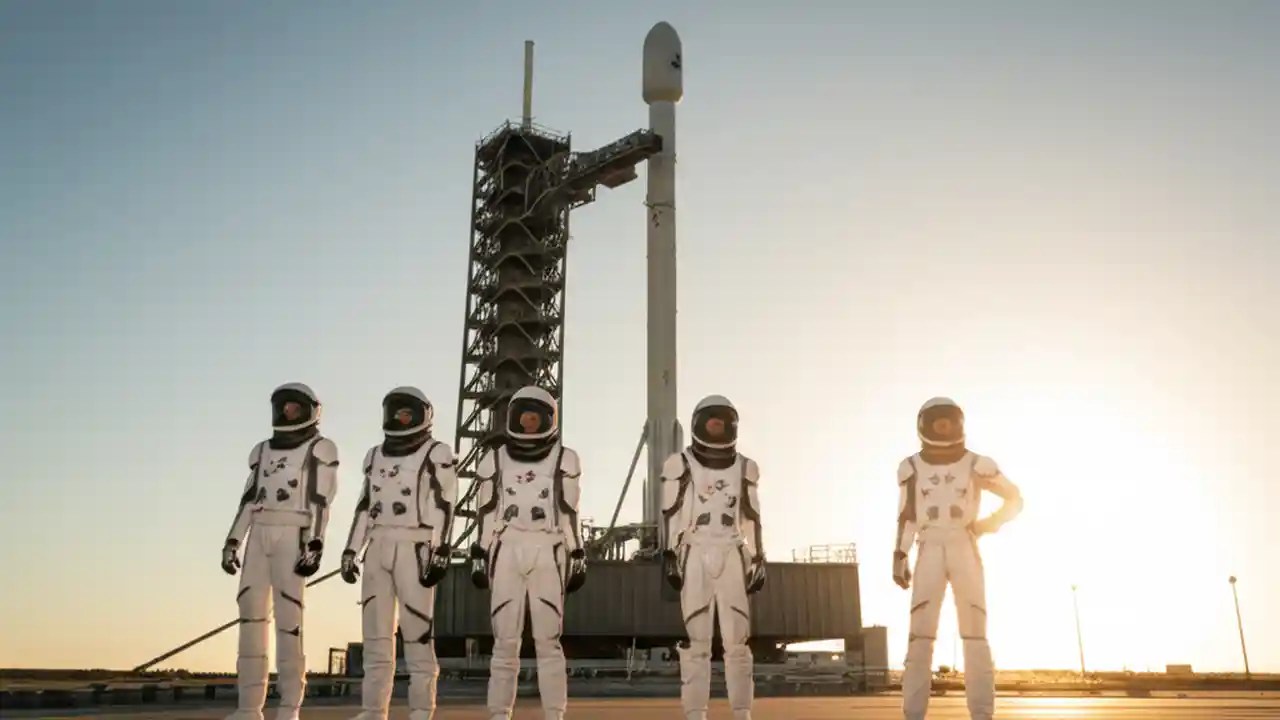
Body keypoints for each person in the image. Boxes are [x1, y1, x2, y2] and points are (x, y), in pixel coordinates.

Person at [894, 397, 1024, 720]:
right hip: (930, 543)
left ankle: (982, 714)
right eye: (937, 421)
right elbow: (907, 515)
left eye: (949, 421)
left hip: (963, 542)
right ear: (924, 425)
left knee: (975, 634)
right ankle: (913, 714)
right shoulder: (911, 467)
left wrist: (986, 525)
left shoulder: (977, 464)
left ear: (959, 424)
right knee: (920, 635)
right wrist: (900, 553)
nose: (943, 427)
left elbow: (1014, 498)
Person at [221, 382, 339, 720]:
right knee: (250, 616)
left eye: (294, 408)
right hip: (259, 531)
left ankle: (289, 707)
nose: (288, 412)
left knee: (289, 621)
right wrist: (233, 540)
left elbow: (321, 501)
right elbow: (248, 498)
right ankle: (248, 708)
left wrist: (314, 543)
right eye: (284, 407)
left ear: (309, 410)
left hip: (292, 530)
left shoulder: (321, 448)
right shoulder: (262, 451)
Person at [340, 386, 458, 720]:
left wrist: (440, 550)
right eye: (397, 413)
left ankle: (421, 710)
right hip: (377, 547)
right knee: (375, 637)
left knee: (418, 634)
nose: (400, 418)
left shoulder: (437, 452)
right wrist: (351, 549)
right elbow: (365, 505)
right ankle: (373, 710)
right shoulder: (374, 456)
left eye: (407, 413)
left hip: (415, 545)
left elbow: (444, 503)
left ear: (422, 416)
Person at [469, 385, 586, 720]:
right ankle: (499, 714)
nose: (530, 423)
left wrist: (577, 552)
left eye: (535, 417)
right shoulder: (495, 459)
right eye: (525, 417)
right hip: (507, 548)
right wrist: (480, 549)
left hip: (548, 548)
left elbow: (569, 510)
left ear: (548, 419)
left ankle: (554, 714)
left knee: (549, 640)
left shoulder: (565, 458)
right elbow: (488, 510)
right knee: (504, 641)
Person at [660, 395, 766, 720]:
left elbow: (752, 517)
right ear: (699, 425)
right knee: (697, 642)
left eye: (721, 423)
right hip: (695, 549)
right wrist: (669, 552)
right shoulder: (680, 464)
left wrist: (759, 557)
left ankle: (742, 711)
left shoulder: (745, 466)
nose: (716, 427)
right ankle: (695, 712)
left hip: (732, 550)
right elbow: (670, 513)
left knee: (737, 641)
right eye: (712, 422)